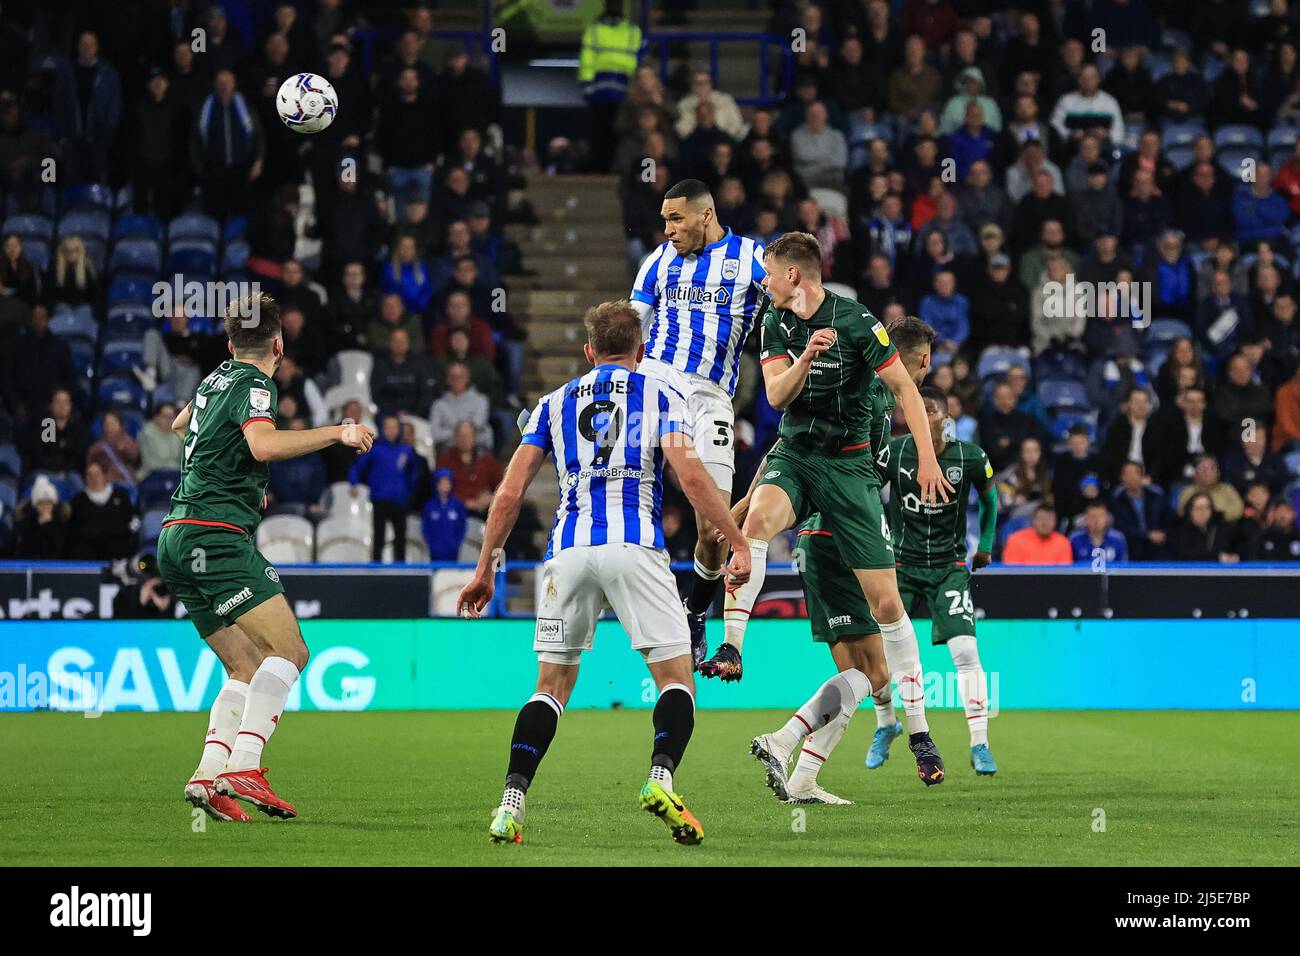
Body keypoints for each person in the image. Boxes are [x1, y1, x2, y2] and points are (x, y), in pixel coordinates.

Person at [456, 300, 751, 847]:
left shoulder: (552, 403)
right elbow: (691, 479)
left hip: (568, 553)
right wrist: (735, 541)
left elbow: (510, 494)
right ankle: (661, 777)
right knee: (675, 678)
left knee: (550, 687)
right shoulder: (662, 393)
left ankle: (511, 803)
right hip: (635, 545)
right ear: (641, 352)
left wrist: (484, 568)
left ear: (588, 351)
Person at [702, 232, 952, 785]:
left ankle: (905, 735)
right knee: (756, 524)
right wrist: (806, 358)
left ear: (795, 274)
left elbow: (906, 392)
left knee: (886, 615)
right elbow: (774, 398)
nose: (763, 280)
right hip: (798, 455)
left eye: (769, 271)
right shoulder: (773, 322)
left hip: (848, 471)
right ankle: (731, 646)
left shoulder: (858, 323)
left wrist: (928, 459)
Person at [158, 294, 374, 824]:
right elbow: (261, 445)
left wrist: (229, 476)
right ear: (278, 344)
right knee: (291, 650)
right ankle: (246, 764)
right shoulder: (257, 384)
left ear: (231, 345)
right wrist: (338, 432)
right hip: (216, 535)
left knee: (244, 663)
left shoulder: (214, 381)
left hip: (175, 537)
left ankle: (208, 777)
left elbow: (180, 426)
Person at [628, 178, 768, 667]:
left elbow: (797, 301)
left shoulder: (752, 258)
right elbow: (627, 333)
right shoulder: (657, 262)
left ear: (705, 216)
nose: (667, 229)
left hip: (710, 398)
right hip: (654, 388)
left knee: (713, 528)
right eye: (665, 219)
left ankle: (694, 612)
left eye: (676, 218)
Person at [876, 384, 999, 775]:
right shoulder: (895, 452)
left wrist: (987, 544)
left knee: (965, 652)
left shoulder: (971, 456)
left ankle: (979, 743)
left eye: (929, 409)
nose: (920, 414)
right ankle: (886, 724)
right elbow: (863, 493)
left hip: (949, 566)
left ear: (946, 419)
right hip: (900, 566)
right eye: (916, 409)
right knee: (878, 653)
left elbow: (991, 497)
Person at [349, 413, 421, 563]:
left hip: (399, 500)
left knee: (400, 537)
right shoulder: (376, 449)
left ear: (399, 429)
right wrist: (353, 482)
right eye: (388, 427)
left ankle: (400, 569)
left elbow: (414, 473)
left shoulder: (406, 450)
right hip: (380, 499)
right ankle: (376, 569)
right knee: (379, 537)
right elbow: (357, 466)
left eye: (394, 427)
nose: (391, 431)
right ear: (383, 429)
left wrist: (410, 492)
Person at [67, 461, 138, 560]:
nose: (93, 478)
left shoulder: (120, 497)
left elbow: (133, 522)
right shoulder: (78, 500)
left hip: (117, 551)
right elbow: (73, 529)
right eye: (90, 475)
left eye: (96, 474)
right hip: (86, 553)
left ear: (106, 475)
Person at [1110, 460, 1171, 561]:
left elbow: (1168, 519)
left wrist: (1163, 534)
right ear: (1122, 478)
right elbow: (1120, 528)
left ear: (1142, 476)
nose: (1132, 477)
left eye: (1135, 473)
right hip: (1132, 548)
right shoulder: (1117, 501)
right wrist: (1147, 535)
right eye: (1127, 474)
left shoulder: (1156, 497)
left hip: (1159, 547)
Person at [1169, 491, 1234, 562]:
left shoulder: (1222, 528)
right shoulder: (1179, 531)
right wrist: (1216, 557)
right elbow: (1186, 555)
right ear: (1190, 511)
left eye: (1207, 508)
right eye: (1198, 508)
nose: (1203, 512)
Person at [421, 467, 467, 562]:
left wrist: (456, 543)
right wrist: (431, 544)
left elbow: (462, 527)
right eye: (441, 483)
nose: (444, 486)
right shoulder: (429, 506)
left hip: (453, 552)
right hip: (434, 552)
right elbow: (425, 528)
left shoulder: (457, 505)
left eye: (447, 483)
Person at [1002, 503, 1072, 564]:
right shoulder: (1016, 540)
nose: (1045, 523)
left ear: (1055, 522)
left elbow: (1064, 574)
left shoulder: (1063, 543)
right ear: (1033, 520)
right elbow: (1011, 573)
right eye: (1041, 518)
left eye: (1050, 519)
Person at [1069, 500, 1128, 564]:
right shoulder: (1075, 538)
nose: (1096, 520)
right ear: (1085, 518)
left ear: (1107, 518)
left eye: (1100, 516)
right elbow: (1069, 566)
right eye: (1092, 516)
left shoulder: (1117, 538)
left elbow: (1123, 566)